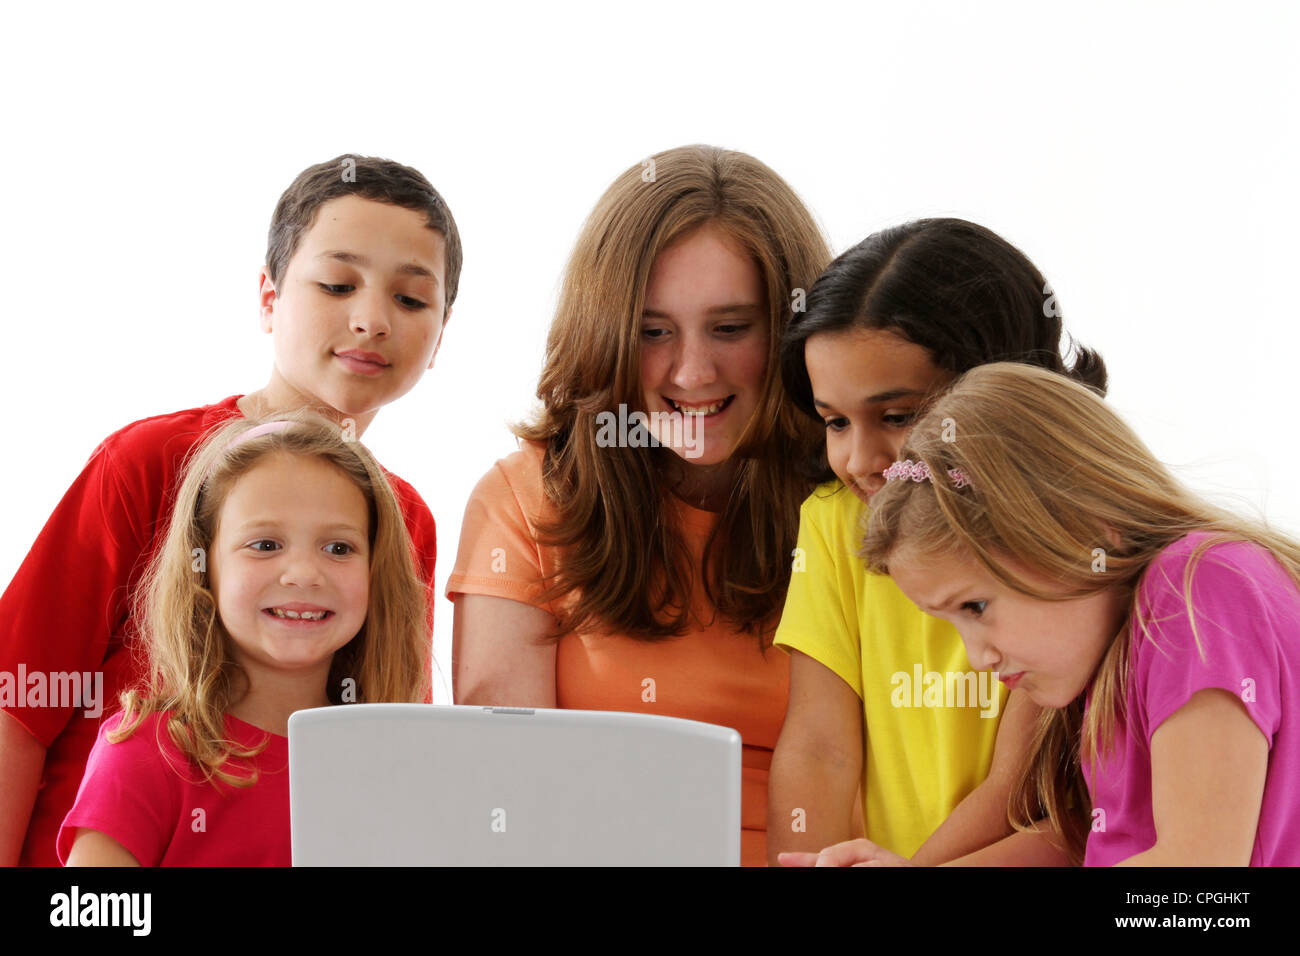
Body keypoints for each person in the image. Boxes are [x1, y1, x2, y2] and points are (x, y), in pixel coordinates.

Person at [0, 154, 460, 866]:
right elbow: (18, 702)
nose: (371, 320)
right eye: (338, 284)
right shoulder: (146, 461)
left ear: (442, 333)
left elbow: (383, 733)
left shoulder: (407, 520)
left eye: (410, 299)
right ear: (270, 299)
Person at [447, 144, 830, 866]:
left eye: (731, 327)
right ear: (607, 333)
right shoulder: (527, 500)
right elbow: (503, 804)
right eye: (654, 332)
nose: (692, 372)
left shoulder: (849, 507)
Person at [841, 361, 1298, 866]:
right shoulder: (1109, 651)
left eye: (975, 606)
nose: (977, 658)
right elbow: (1087, 837)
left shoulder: (1200, 587)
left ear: (1083, 531)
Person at [770, 219, 1107, 865]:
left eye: (896, 417)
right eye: (835, 421)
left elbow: (1030, 797)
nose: (861, 458)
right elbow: (820, 746)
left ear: (1001, 388)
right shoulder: (836, 521)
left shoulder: (1061, 537)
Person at [60, 414, 430, 865]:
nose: (303, 575)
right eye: (265, 545)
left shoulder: (400, 766)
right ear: (205, 568)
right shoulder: (143, 755)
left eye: (338, 548)